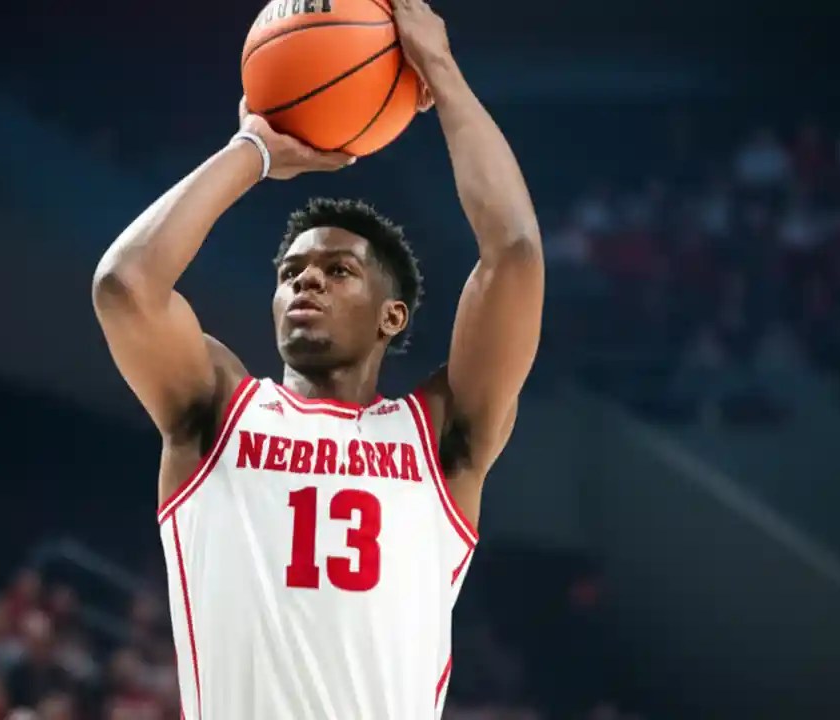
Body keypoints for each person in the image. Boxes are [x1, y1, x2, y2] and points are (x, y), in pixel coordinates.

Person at [91, 0, 543, 717]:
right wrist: (254, 150)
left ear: (391, 316)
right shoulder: (218, 410)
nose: (305, 280)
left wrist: (441, 70)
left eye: (338, 271)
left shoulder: (439, 438)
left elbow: (514, 255)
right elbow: (124, 287)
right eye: (290, 272)